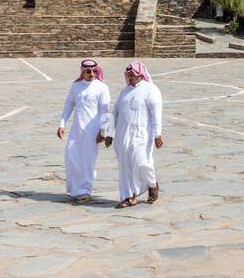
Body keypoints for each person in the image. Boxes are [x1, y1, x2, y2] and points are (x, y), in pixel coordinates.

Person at [107, 60, 164, 208]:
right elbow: (115, 112)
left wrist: (158, 135)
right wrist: (109, 133)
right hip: (122, 136)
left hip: (142, 135)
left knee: (143, 163)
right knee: (124, 166)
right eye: (127, 75)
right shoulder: (124, 91)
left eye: (132, 75)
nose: (129, 78)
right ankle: (129, 196)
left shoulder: (151, 90)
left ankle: (152, 184)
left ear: (140, 75)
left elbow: (156, 114)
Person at [56, 59, 111, 204]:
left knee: (88, 161)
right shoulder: (76, 86)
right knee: (71, 157)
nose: (91, 74)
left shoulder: (102, 88)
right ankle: (76, 190)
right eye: (88, 71)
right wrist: (62, 124)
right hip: (76, 129)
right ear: (82, 72)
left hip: (93, 131)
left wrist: (104, 131)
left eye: (94, 71)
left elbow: (106, 111)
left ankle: (85, 191)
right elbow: (69, 105)